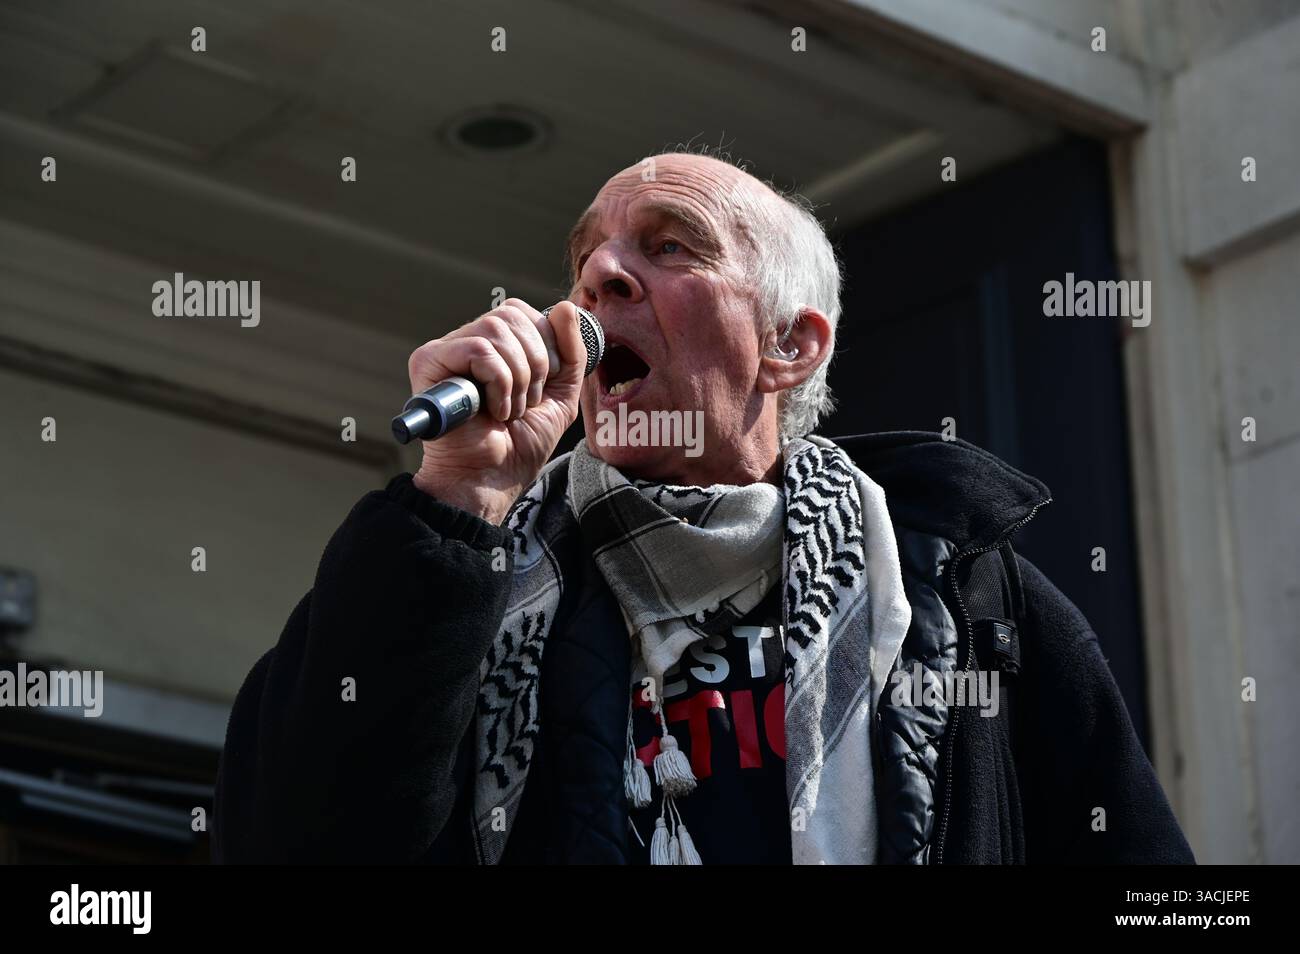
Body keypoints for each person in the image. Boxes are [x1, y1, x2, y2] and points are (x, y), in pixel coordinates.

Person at [212, 150, 1194, 865]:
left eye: (671, 246)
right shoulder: (475, 577)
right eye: (587, 257)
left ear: (791, 347)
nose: (600, 276)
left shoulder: (968, 598)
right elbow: (292, 841)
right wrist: (460, 495)